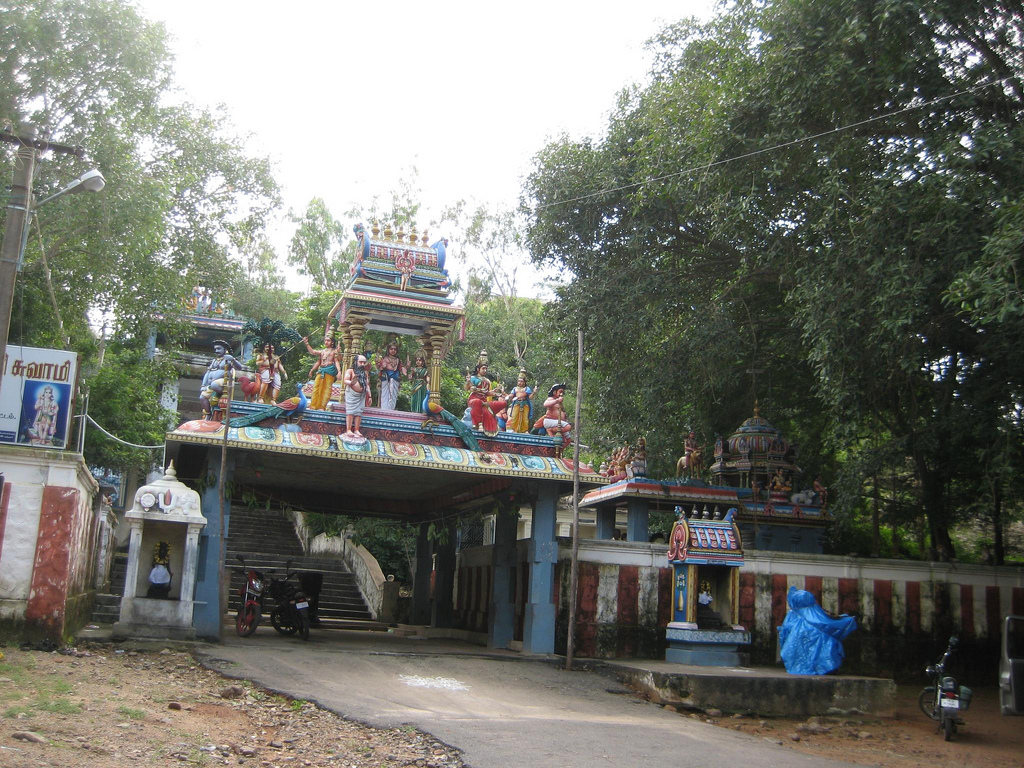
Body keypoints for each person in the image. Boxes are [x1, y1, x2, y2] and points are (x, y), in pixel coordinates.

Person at [200, 340, 243, 418]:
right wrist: (203, 385)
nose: (216, 351)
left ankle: (221, 394)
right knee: (202, 397)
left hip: (223, 383)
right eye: (215, 349)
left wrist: (233, 360)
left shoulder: (228, 359)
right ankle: (208, 413)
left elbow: (240, 368)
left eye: (219, 349)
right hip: (212, 385)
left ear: (225, 349)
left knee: (214, 384)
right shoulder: (214, 361)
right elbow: (207, 373)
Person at [303, 329, 341, 411]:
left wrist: (339, 371)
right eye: (325, 340)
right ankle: (313, 405)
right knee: (316, 388)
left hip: (329, 371)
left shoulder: (334, 352)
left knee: (326, 389)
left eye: (328, 340)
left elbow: (337, 361)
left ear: (332, 342)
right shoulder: (322, 351)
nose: (326, 342)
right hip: (321, 370)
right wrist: (306, 343)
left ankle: (322, 406)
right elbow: (313, 352)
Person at [465, 362, 506, 434]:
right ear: (478, 369)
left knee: (503, 403)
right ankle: (479, 424)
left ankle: (493, 419)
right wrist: (468, 382)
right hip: (474, 400)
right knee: (478, 402)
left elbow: (488, 393)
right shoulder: (473, 378)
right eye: (483, 368)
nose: (485, 370)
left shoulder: (487, 381)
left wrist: (497, 394)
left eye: (486, 369)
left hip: (485, 402)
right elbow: (468, 388)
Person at [343, 354, 369, 438]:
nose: (362, 364)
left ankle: (357, 429)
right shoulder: (350, 371)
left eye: (364, 362)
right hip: (351, 394)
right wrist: (351, 383)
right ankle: (348, 429)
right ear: (356, 362)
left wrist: (370, 396)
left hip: (361, 395)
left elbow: (367, 384)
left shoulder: (365, 373)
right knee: (350, 412)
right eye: (360, 362)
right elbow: (345, 380)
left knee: (359, 412)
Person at [377, 340, 406, 411]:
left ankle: (391, 409)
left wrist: (403, 369)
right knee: (385, 394)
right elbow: (380, 367)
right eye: (391, 349)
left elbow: (400, 368)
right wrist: (382, 366)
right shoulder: (385, 358)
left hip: (395, 378)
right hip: (386, 378)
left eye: (395, 349)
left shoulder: (398, 360)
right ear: (388, 349)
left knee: (394, 394)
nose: (393, 350)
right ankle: (384, 409)